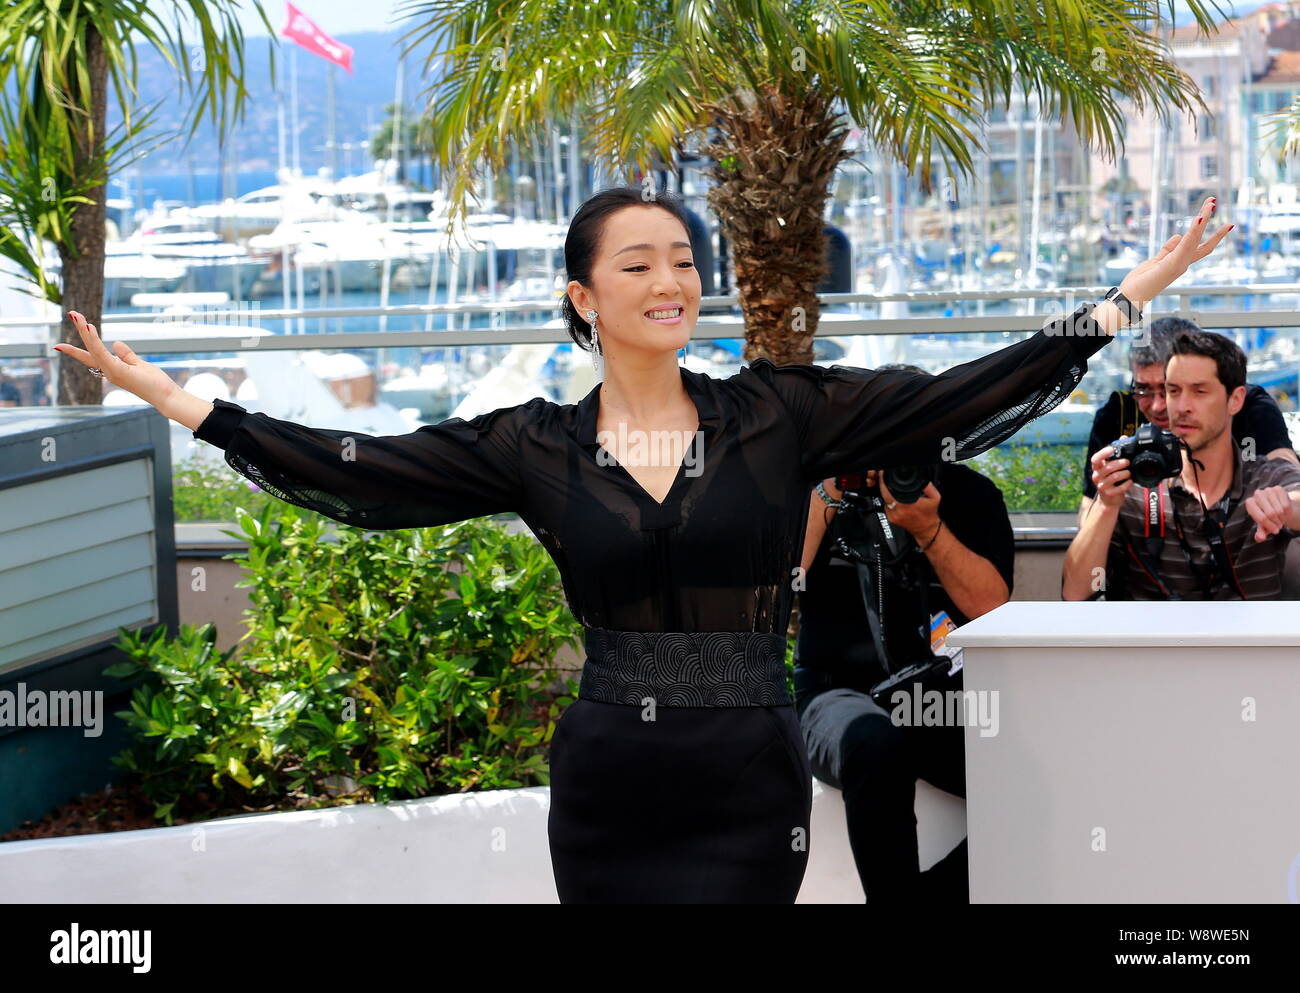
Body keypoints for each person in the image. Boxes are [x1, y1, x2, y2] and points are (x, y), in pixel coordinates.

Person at [54, 189, 1230, 903]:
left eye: (683, 261)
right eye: (639, 264)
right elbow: (364, 469)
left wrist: (1124, 297)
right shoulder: (533, 445)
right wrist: (190, 405)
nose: (672, 280)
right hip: (612, 777)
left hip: (745, 772)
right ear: (581, 297)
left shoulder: (781, 415)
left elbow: (969, 385)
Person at [794, 399, 1014, 903]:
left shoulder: (970, 495)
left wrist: (928, 529)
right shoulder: (826, 496)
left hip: (938, 699)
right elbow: (772, 589)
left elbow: (990, 609)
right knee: (874, 743)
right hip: (838, 695)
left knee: (1031, 779)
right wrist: (830, 490)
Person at [1063, 329, 1300, 600]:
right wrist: (1106, 504)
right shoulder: (1133, 486)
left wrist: (1286, 506)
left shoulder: (1264, 479)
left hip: (1248, 642)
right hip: (1153, 641)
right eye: (1173, 391)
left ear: (1235, 400)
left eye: (1200, 391)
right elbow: (1074, 594)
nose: (1181, 406)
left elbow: (1294, 490)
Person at [1076, 316, 1297, 528]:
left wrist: (1279, 501)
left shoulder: (1248, 406)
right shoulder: (1118, 414)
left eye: (1169, 389)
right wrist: (1105, 502)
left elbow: (1287, 469)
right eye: (1143, 389)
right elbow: (1087, 512)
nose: (1157, 406)